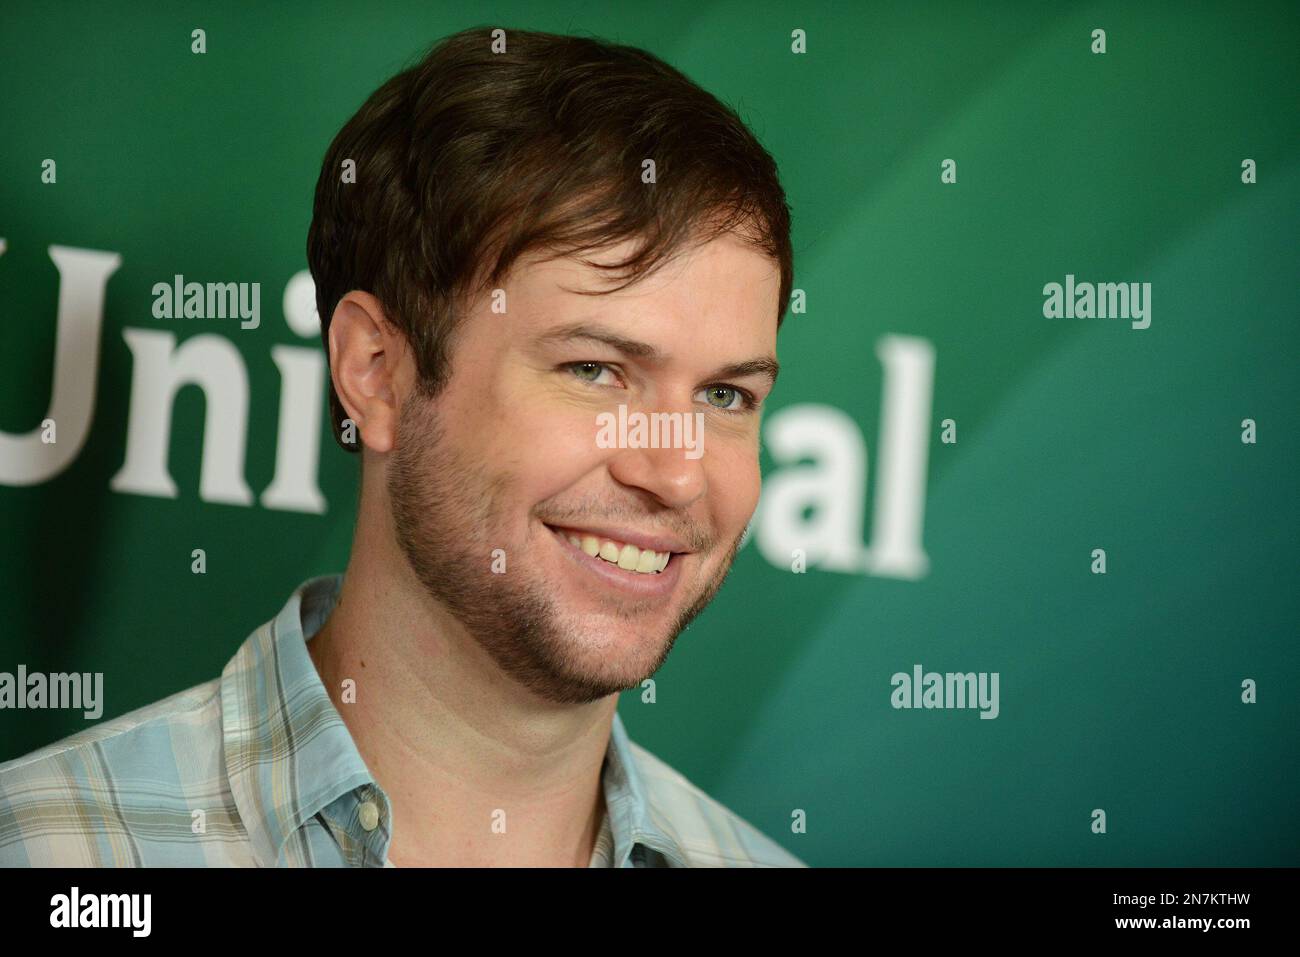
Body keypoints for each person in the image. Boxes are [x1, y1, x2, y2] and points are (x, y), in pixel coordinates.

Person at [0, 26, 803, 867]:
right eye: (595, 370)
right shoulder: (52, 851)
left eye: (724, 395)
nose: (674, 470)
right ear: (376, 372)